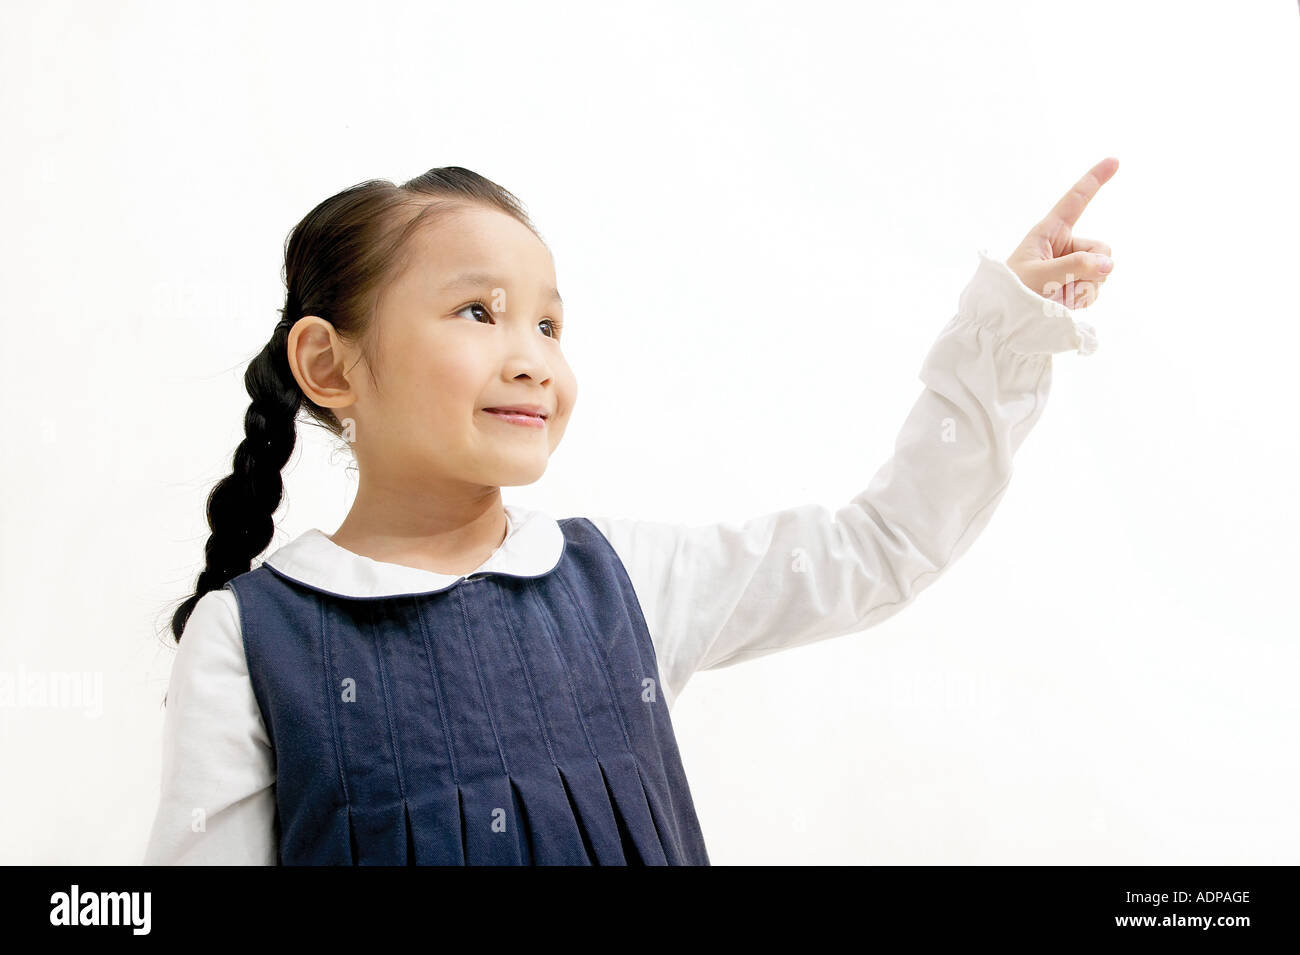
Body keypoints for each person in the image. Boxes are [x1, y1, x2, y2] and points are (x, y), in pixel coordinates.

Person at [144, 160, 1118, 865]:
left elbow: (879, 547)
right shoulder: (248, 639)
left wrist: (1002, 340)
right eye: (478, 312)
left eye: (549, 324)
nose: (530, 354)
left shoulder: (620, 582)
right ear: (330, 364)